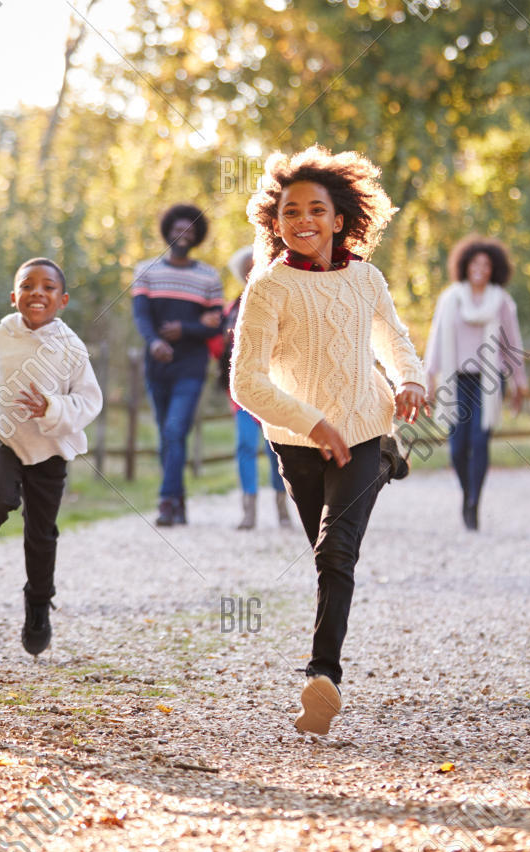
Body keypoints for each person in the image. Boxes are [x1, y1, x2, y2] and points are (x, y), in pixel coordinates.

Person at [232, 145, 426, 736]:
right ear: (276, 222)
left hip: (364, 425)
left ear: (339, 219)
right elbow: (245, 381)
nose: (304, 220)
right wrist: (313, 423)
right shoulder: (268, 287)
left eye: (316, 210)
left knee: (335, 551)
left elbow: (393, 339)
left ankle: (322, 678)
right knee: (324, 547)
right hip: (297, 441)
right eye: (290, 212)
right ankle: (387, 463)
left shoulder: (366, 278)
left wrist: (410, 378)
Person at [0, 257, 103, 655]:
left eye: (48, 287)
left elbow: (89, 401)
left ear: (62, 299)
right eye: (28, 285)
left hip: (49, 448)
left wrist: (51, 408)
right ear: (14, 296)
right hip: (0, 436)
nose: (38, 293)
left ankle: (38, 605)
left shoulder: (71, 348)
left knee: (41, 532)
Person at [422, 235, 523, 531]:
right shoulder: (450, 298)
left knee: (479, 442)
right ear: (465, 265)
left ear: (494, 269)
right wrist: (429, 377)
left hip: (488, 382)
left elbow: (512, 343)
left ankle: (474, 503)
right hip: (456, 382)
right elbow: (436, 339)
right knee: (457, 448)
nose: (480, 269)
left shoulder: (501, 301)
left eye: (486, 265)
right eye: (475, 263)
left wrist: (519, 383)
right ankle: (468, 494)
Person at [131, 203, 224, 526]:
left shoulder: (209, 277)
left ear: (197, 236)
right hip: (157, 364)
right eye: (176, 229)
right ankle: (179, 499)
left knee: (174, 429)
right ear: (167, 232)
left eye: (189, 230)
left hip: (191, 366)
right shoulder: (146, 270)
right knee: (167, 434)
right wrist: (154, 342)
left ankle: (167, 502)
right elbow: (142, 316)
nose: (182, 235)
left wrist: (185, 329)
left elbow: (216, 325)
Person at [209, 246, 292, 531]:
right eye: (247, 269)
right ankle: (249, 511)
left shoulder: (280, 303)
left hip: (274, 389)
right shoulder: (231, 310)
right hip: (242, 393)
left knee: (276, 449)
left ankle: (282, 508)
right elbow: (219, 349)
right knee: (245, 445)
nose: (252, 272)